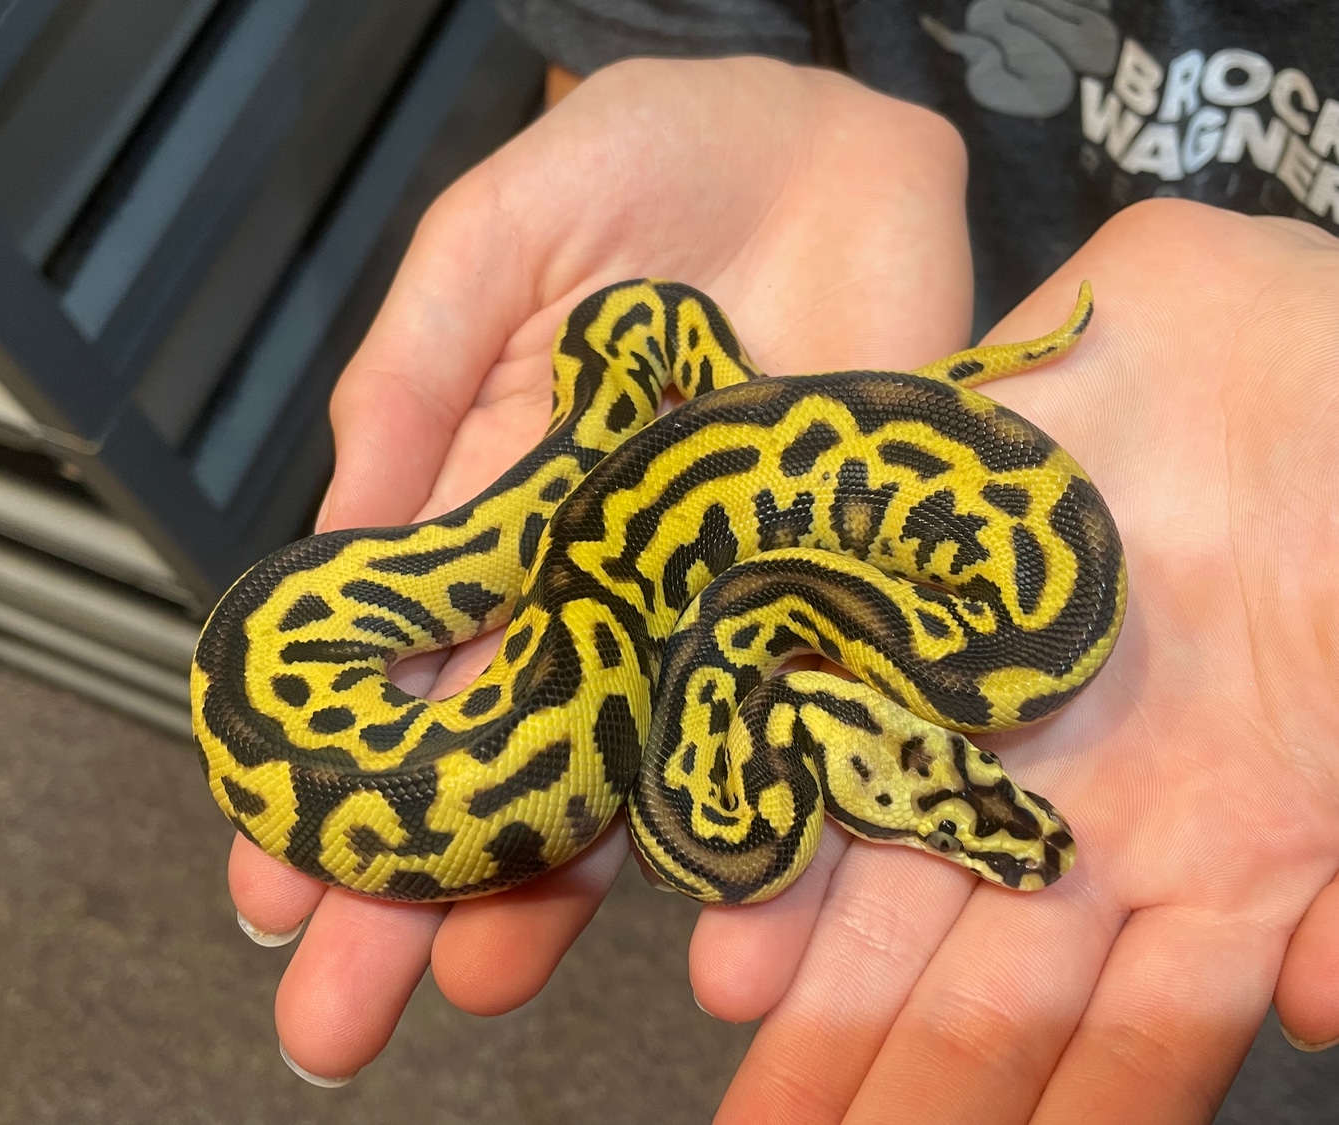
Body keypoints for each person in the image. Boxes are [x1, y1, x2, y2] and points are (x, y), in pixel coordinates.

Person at [227, 5, 1339, 1120]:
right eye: (964, 805)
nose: (980, 813)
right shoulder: (753, 770)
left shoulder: (754, 743)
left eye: (956, 819)